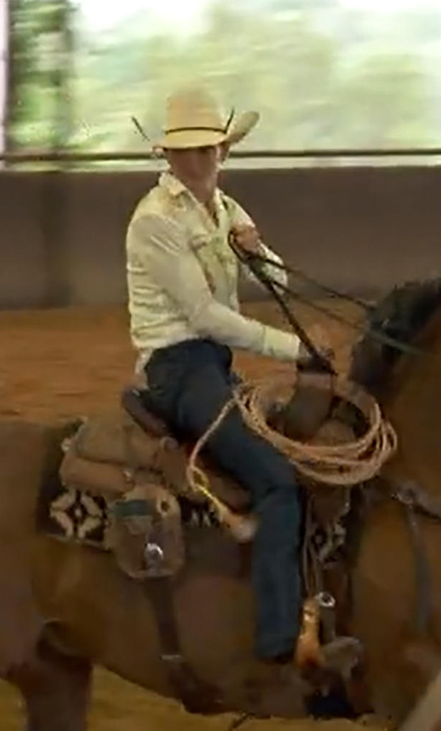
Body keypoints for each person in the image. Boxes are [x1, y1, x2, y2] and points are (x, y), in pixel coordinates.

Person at [124, 85, 350, 672]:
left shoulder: (226, 210)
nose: (198, 160)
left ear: (223, 150)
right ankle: (277, 637)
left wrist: (259, 252)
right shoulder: (155, 221)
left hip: (212, 364)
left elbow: (276, 276)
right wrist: (295, 349)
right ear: (169, 157)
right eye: (187, 151)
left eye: (208, 149)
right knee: (276, 479)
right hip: (175, 369)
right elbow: (204, 316)